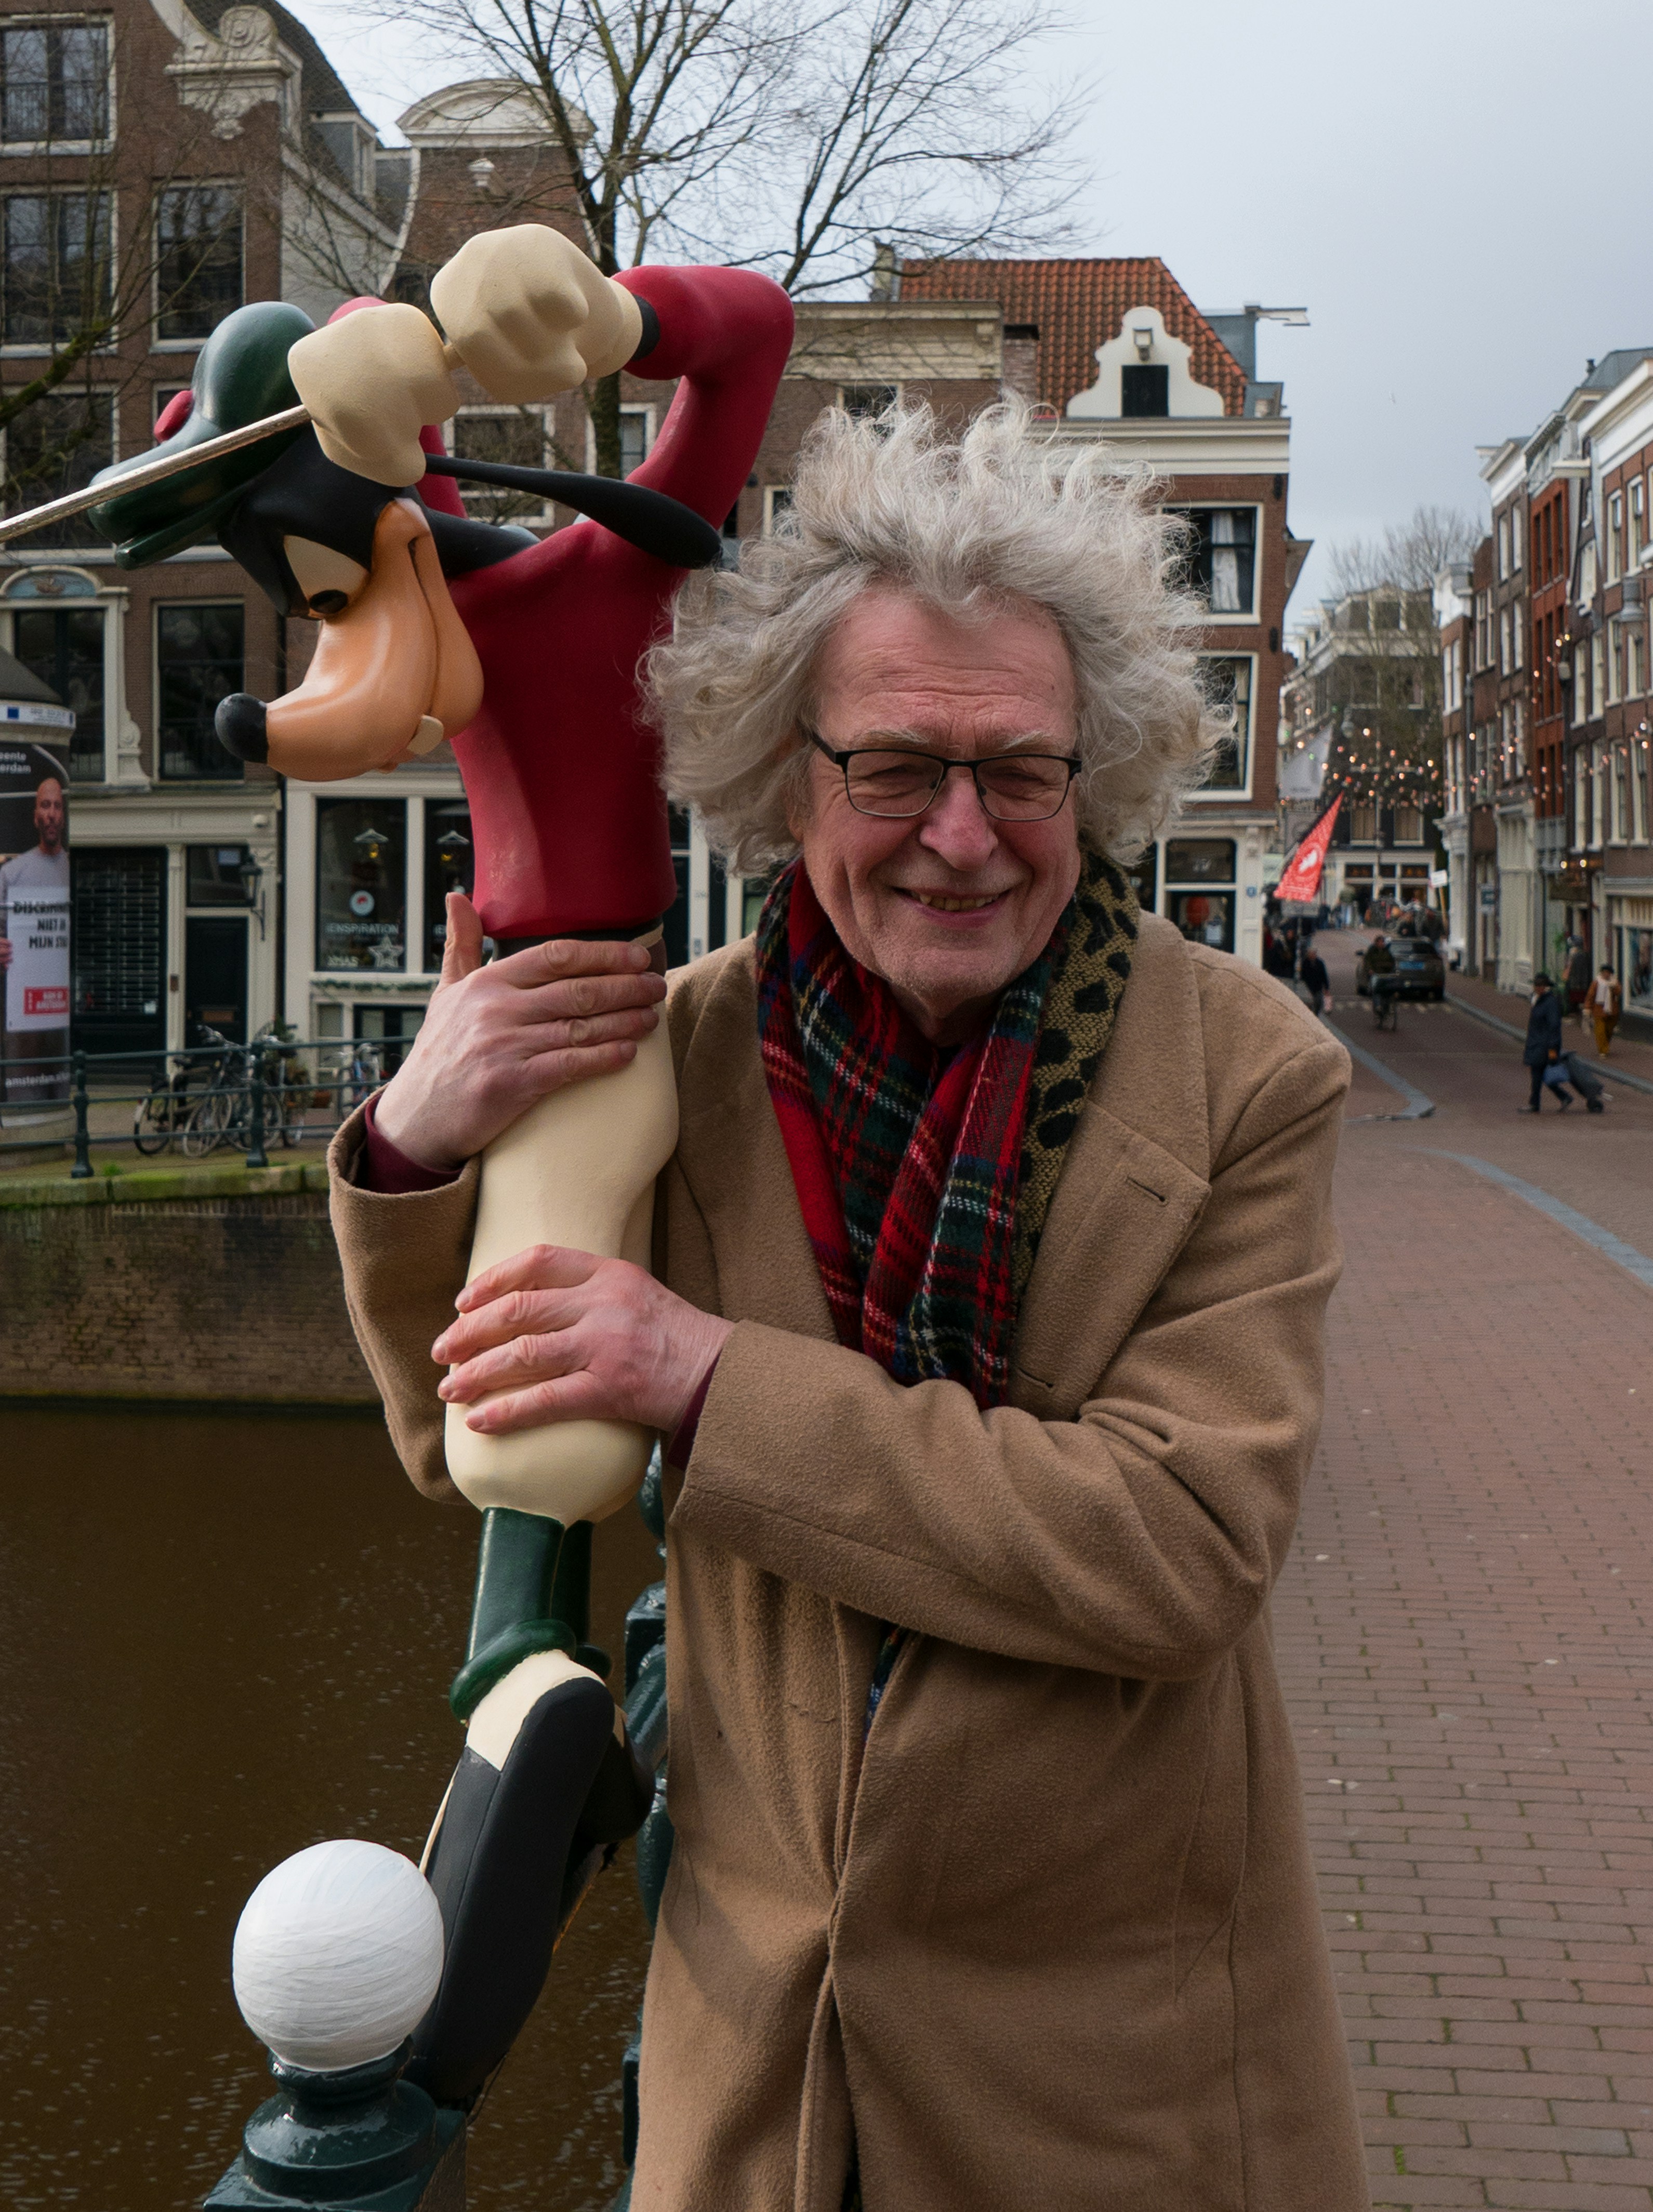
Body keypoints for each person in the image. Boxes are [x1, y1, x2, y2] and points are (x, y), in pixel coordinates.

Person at [329, 403, 1367, 2210]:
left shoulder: (1248, 1074)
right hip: (758, 2081)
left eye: (1023, 772)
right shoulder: (667, 1050)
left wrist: (709, 1379)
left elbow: (1178, 1544)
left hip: (1120, 2094)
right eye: (896, 769)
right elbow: (478, 1444)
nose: (964, 838)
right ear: (787, 772)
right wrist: (420, 1138)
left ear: (1090, 776)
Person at [0, 775, 68, 971]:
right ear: (35, 816)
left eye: (58, 806)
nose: (52, 814)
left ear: (63, 818)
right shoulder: (11, 873)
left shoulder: (71, 870)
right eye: (46, 805)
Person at [1519, 970, 1572, 1111]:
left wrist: (1553, 1048)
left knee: (1538, 1075)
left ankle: (1534, 1104)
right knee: (1541, 1075)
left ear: (1546, 987)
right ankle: (1563, 1097)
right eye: (1536, 985)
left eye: (1541, 985)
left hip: (1544, 1046)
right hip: (1537, 1044)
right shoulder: (1538, 1001)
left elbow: (1554, 1026)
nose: (1538, 988)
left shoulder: (1550, 1003)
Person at [1584, 963, 1622, 1058]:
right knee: (1600, 1030)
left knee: (1609, 1030)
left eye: (1608, 973)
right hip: (1599, 1010)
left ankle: (1605, 1044)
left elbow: (1619, 993)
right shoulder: (1597, 982)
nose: (1606, 975)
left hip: (1612, 1011)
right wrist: (1588, 1008)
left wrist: (1614, 988)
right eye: (1605, 973)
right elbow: (1591, 995)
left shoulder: (1614, 983)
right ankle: (1603, 1051)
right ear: (1602, 973)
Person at [1364, 930, 1396, 1021]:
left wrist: (1391, 969)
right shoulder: (1372, 951)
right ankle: (1378, 1006)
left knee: (1389, 989)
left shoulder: (1388, 952)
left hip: (1386, 974)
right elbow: (1367, 961)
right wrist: (1370, 970)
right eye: (1381, 942)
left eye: (1384, 942)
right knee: (1376, 988)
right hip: (1376, 974)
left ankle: (1388, 1008)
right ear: (1377, 943)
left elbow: (1392, 962)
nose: (1383, 944)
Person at [1301, 937, 1332, 1017]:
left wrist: (1326, 988)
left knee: (1318, 1003)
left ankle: (1316, 1016)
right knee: (1309, 1004)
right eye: (1311, 954)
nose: (1313, 955)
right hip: (1308, 988)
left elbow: (1324, 975)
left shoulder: (1320, 963)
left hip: (1318, 987)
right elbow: (1302, 975)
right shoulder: (1305, 964)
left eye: (1314, 954)